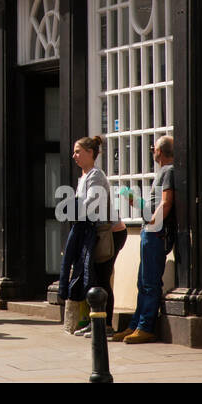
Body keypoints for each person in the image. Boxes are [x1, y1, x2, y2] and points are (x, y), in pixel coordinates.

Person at [115, 135, 177, 345]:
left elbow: (166, 202)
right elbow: (157, 204)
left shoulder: (168, 171)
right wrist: (137, 203)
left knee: (149, 282)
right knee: (142, 281)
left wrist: (152, 222)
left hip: (155, 232)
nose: (152, 151)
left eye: (153, 148)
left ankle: (145, 327)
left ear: (160, 151)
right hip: (150, 230)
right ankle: (135, 325)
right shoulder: (164, 171)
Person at [60, 135, 109, 334]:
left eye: (78, 151)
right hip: (89, 231)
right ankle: (93, 321)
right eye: (74, 152)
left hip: (101, 233)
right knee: (91, 276)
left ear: (90, 153)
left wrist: (71, 210)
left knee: (100, 279)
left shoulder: (96, 175)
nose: (74, 156)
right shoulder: (85, 176)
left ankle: (104, 325)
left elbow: (89, 204)